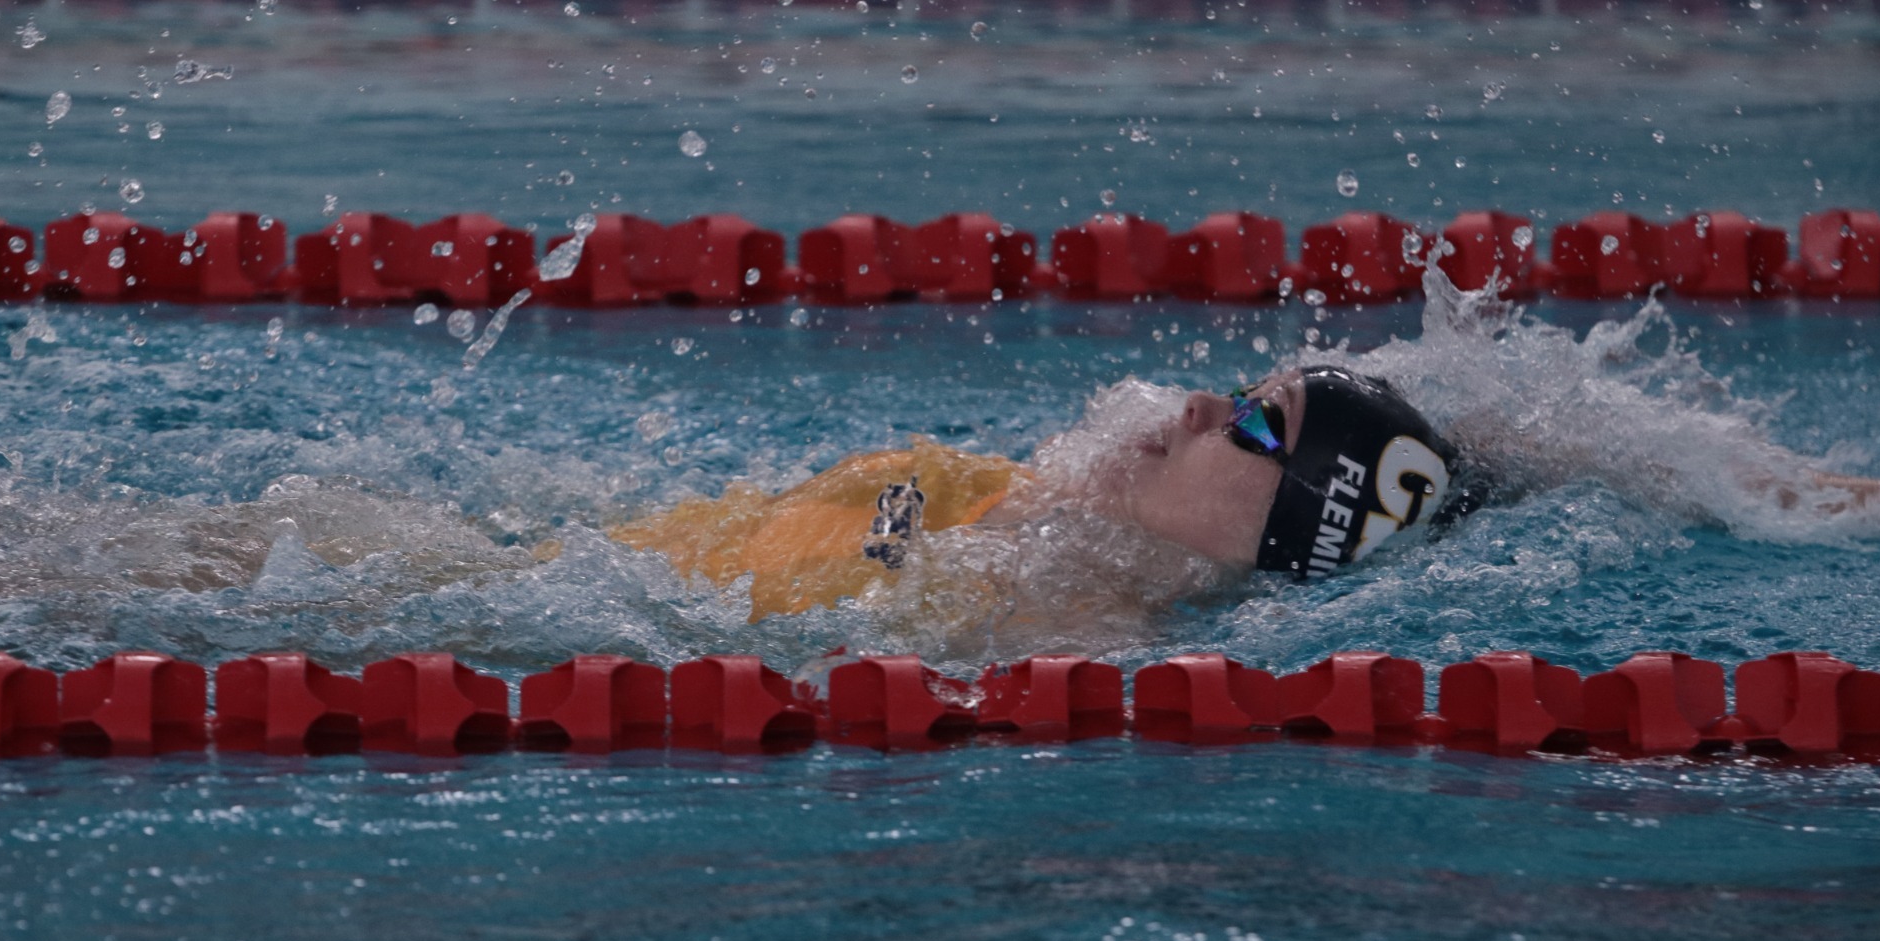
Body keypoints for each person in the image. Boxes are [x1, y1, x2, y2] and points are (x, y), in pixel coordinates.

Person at [608, 365, 1471, 621]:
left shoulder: (1071, 631)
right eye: (1242, 392)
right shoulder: (1028, 497)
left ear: (1297, 526)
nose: (1204, 403)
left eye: (1255, 426)